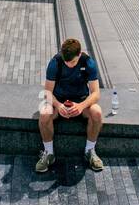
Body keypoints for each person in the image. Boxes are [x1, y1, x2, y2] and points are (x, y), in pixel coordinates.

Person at [36, 37, 104, 173]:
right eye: (67, 62)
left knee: (97, 112)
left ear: (79, 54)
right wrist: (58, 105)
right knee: (44, 113)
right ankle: (48, 153)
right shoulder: (55, 63)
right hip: (58, 101)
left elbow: (96, 93)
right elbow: (47, 93)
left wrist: (81, 106)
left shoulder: (88, 62)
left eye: (73, 62)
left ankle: (90, 151)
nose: (69, 65)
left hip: (80, 101)